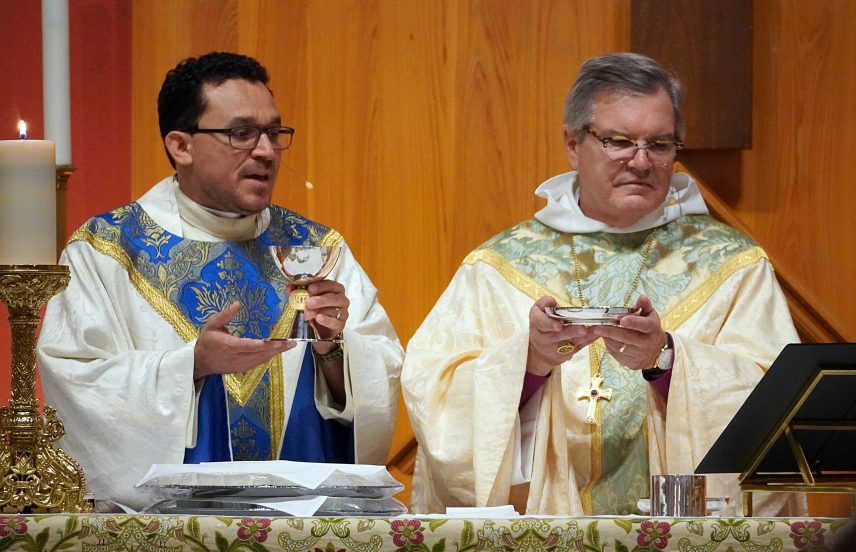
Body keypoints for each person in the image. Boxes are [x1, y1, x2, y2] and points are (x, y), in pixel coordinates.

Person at [401, 52, 804, 515]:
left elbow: (777, 410)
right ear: (573, 143)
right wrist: (529, 363)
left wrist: (666, 360)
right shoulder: (497, 266)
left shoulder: (732, 265)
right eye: (618, 141)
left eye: (660, 144)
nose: (641, 161)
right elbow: (437, 398)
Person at [36, 52, 403, 510]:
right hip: (172, 533)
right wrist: (189, 366)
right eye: (241, 133)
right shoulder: (107, 250)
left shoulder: (315, 250)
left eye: (273, 132)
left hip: (304, 529)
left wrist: (334, 353)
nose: (266, 151)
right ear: (180, 145)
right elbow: (77, 381)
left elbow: (380, 375)